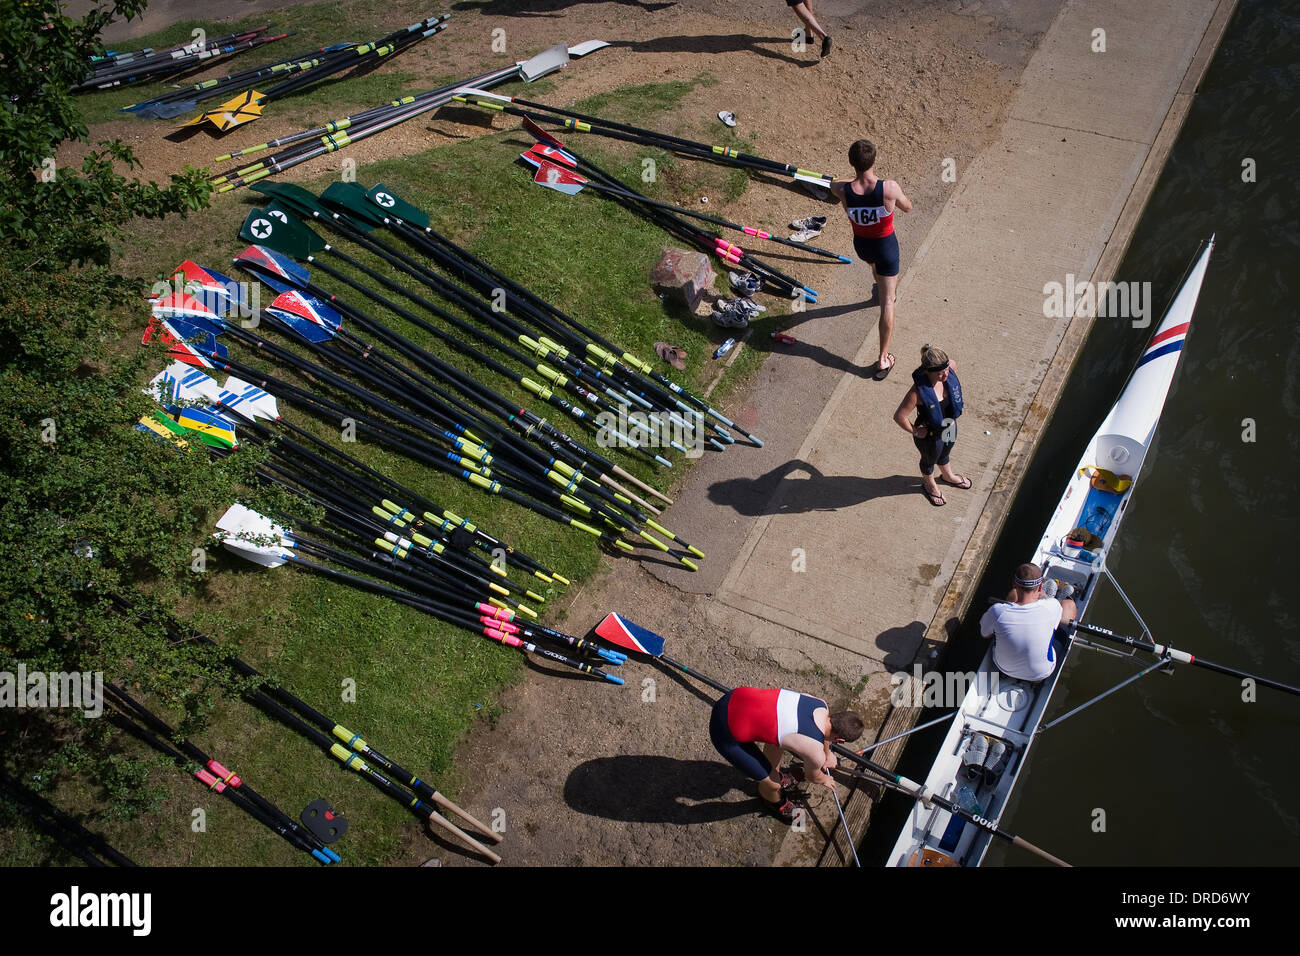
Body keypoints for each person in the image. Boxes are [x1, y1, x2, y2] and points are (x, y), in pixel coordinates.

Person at [709, 686, 864, 822]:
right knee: (773, 783)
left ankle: (775, 773)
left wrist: (827, 753)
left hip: (734, 697)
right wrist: (825, 779)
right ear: (841, 740)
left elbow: (824, 732)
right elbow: (812, 776)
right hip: (724, 730)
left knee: (780, 737)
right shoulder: (815, 752)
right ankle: (775, 803)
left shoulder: (819, 703)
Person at [830, 140, 912, 380]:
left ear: (851, 162)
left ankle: (880, 284)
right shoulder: (889, 188)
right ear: (874, 161)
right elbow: (908, 207)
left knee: (875, 269)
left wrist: (851, 176)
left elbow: (836, 183)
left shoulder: (842, 190)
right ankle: (883, 358)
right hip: (886, 247)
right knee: (888, 302)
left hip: (862, 246)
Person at [893, 344, 969, 506]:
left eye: (947, 370)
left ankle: (947, 476)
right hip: (931, 436)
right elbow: (900, 416)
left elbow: (950, 363)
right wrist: (915, 431)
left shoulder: (950, 369)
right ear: (927, 371)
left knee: (946, 451)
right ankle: (930, 485)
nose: (946, 375)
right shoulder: (917, 393)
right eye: (940, 373)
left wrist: (932, 351)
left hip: (950, 426)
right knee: (929, 460)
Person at [979, 563, 1078, 682]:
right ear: (1040, 587)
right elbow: (1055, 624)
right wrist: (1045, 599)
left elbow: (985, 634)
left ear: (1014, 584)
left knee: (1012, 596)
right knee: (1069, 605)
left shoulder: (997, 610)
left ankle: (1047, 596)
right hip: (1041, 674)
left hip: (1004, 668)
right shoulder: (1052, 606)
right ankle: (1055, 597)